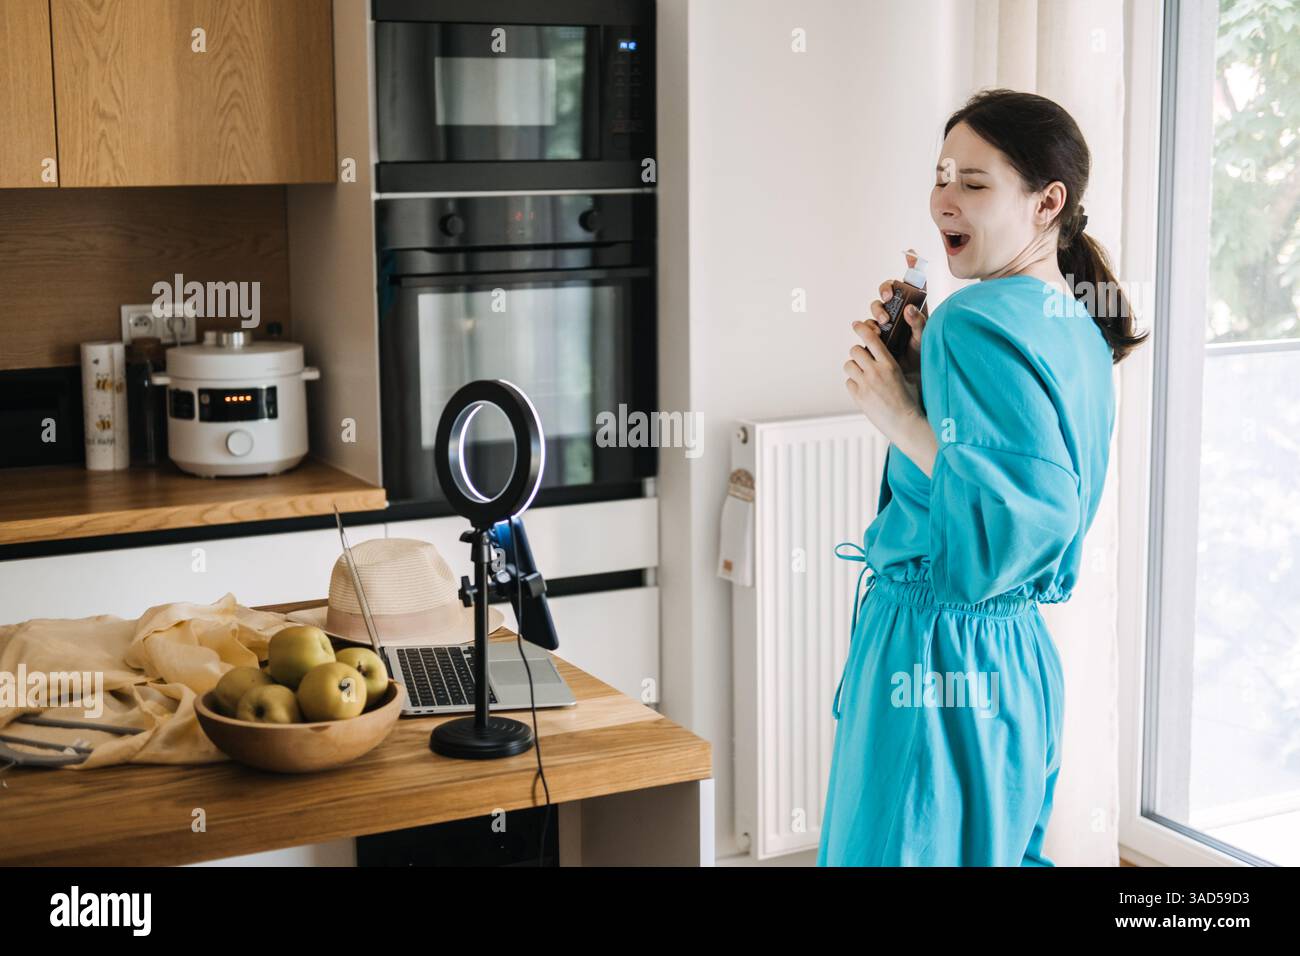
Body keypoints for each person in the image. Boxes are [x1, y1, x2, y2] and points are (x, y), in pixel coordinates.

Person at [819, 88, 1148, 866]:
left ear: (1047, 203)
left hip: (932, 654)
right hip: (1018, 665)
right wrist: (920, 377)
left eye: (974, 182)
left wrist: (900, 415)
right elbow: (1022, 478)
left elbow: (1015, 521)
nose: (945, 199)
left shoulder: (974, 319)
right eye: (940, 176)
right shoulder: (1079, 328)